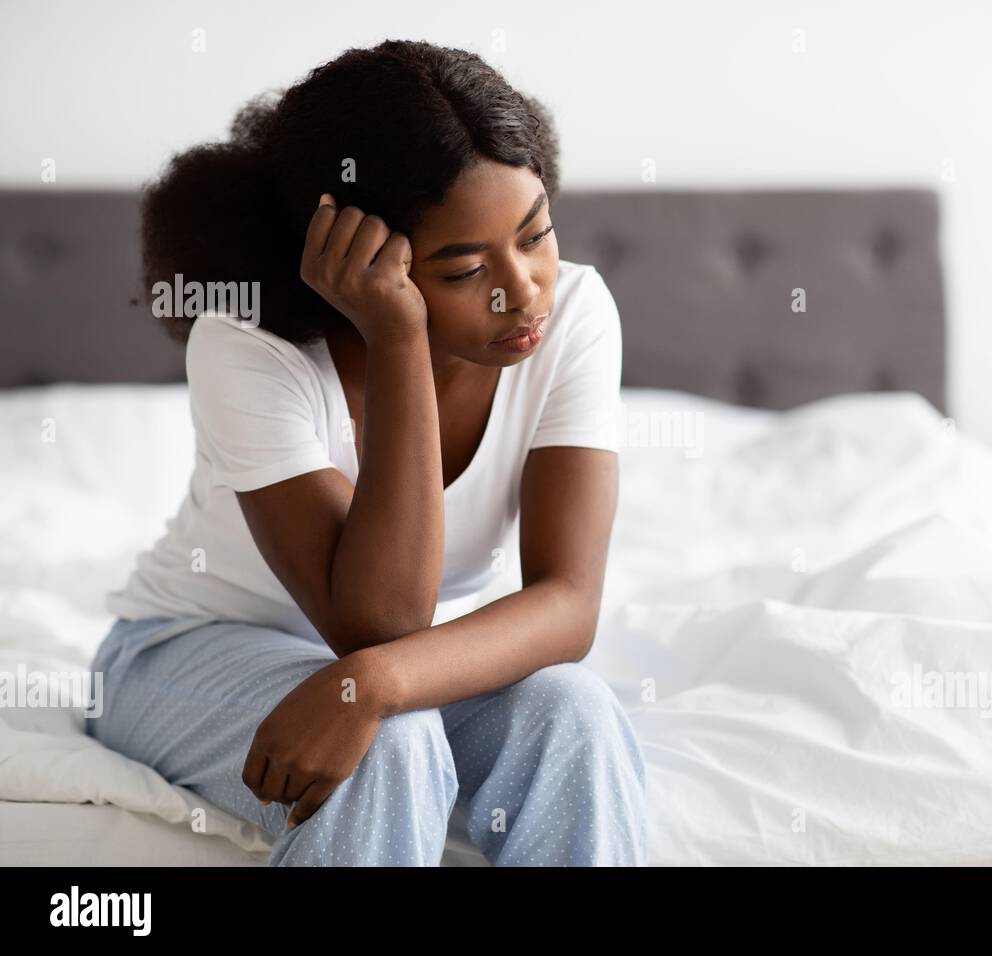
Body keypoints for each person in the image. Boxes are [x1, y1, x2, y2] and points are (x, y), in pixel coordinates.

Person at [86, 39, 647, 866]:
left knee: (576, 714)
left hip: (397, 672)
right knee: (389, 744)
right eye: (462, 270)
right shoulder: (248, 346)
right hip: (183, 651)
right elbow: (376, 621)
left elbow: (568, 603)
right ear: (353, 259)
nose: (523, 288)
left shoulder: (577, 314)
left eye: (535, 236)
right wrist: (398, 339)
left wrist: (379, 685)